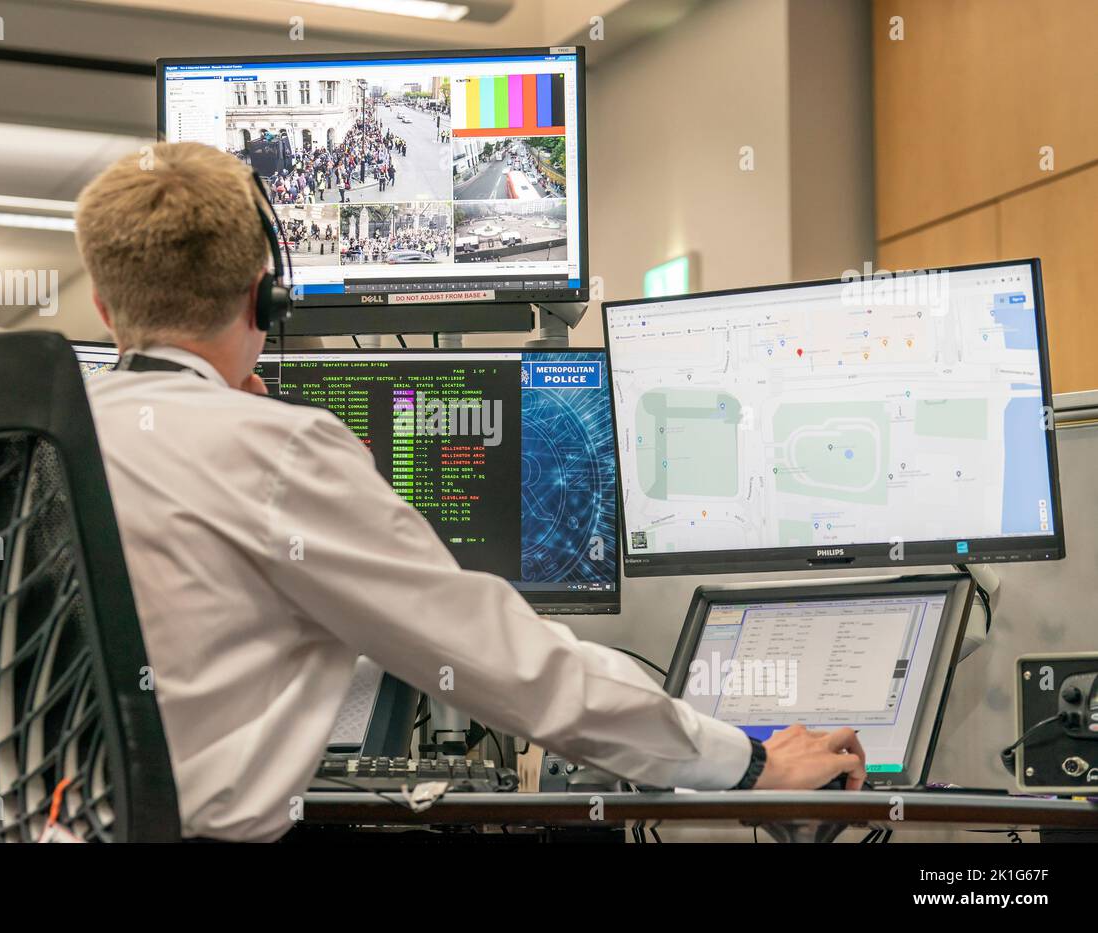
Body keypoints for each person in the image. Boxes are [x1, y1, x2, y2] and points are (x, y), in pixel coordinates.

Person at [73, 142, 866, 842]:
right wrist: (749, 761)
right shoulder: (279, 449)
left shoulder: (34, 443)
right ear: (263, 297)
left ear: (106, 309)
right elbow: (511, 666)